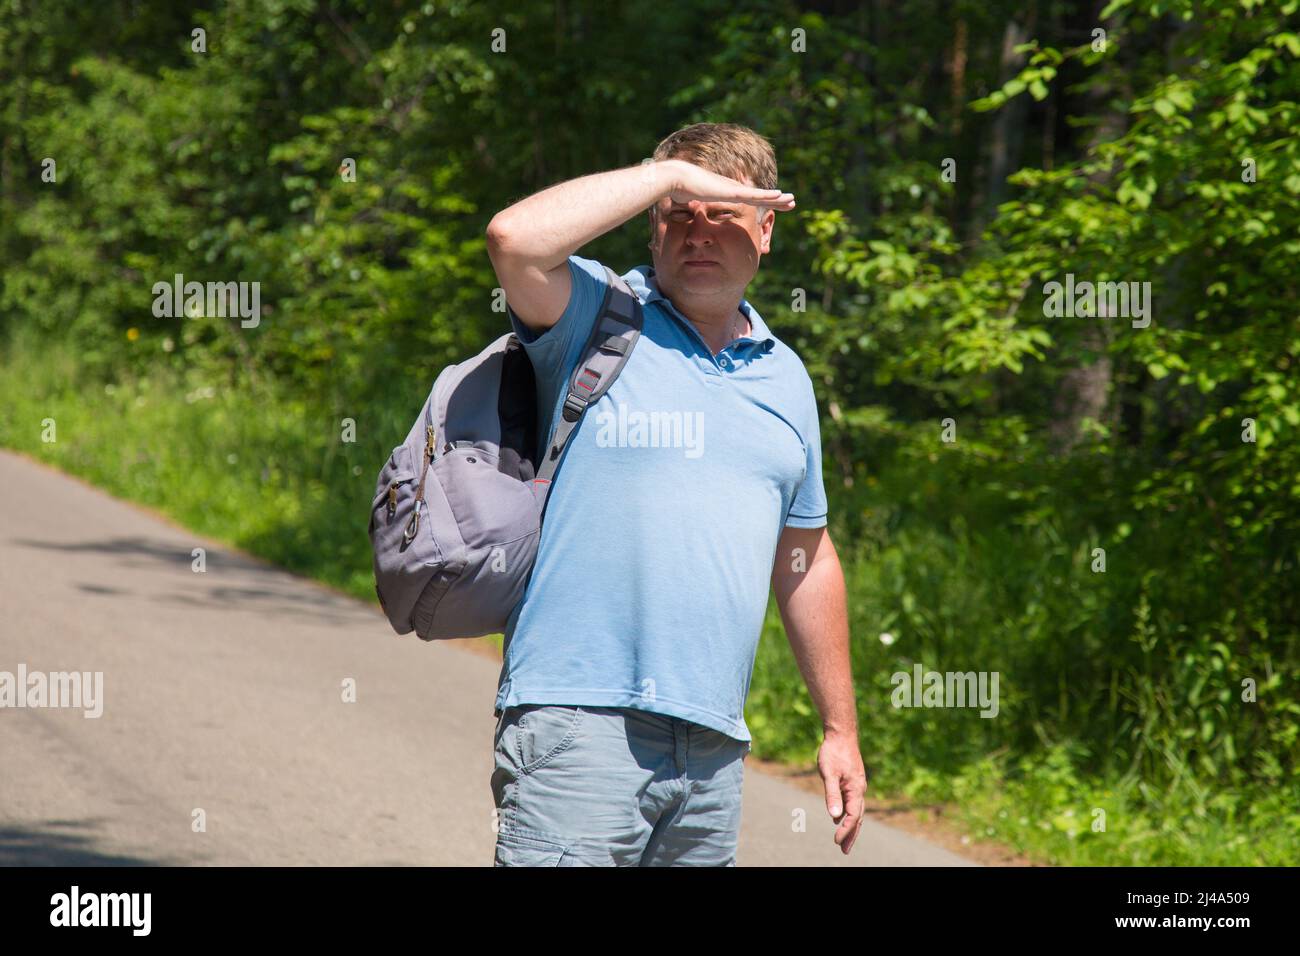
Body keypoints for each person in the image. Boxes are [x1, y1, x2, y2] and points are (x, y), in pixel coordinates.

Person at [484, 122, 865, 865]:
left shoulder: (786, 378)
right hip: (578, 725)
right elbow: (513, 240)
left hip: (714, 749)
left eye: (720, 214)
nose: (697, 231)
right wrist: (666, 177)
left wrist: (839, 729)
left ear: (766, 230)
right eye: (678, 213)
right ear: (652, 228)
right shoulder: (595, 316)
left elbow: (806, 557)